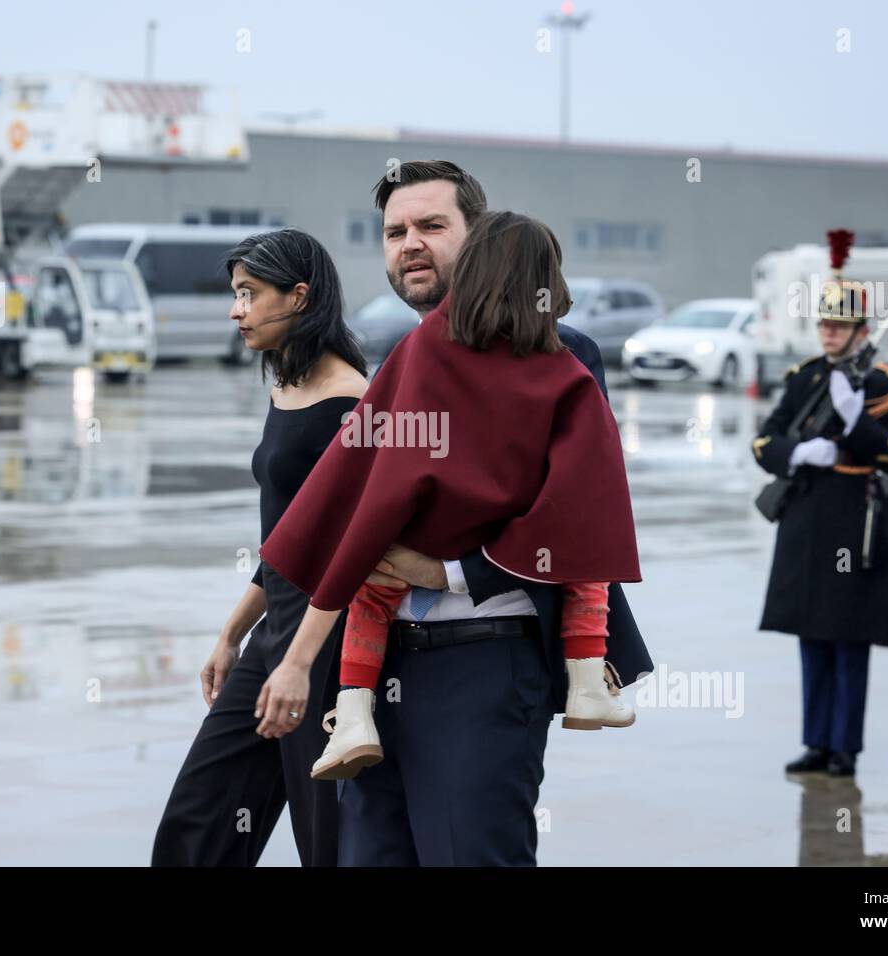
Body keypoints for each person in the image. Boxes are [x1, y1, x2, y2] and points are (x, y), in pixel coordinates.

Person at [253, 160, 653, 866]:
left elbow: (575, 509)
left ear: (480, 237)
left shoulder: (558, 352)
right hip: (379, 668)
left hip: (485, 662)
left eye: (432, 226)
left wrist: (450, 570)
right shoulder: (398, 360)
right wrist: (290, 647)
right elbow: (345, 501)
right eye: (395, 231)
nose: (411, 243)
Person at [150, 228, 368, 866]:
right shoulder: (287, 390)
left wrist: (298, 661)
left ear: (298, 297)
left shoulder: (351, 405)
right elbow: (285, 543)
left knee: (323, 830)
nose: (235, 310)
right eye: (234, 294)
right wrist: (231, 634)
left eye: (249, 294)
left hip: (326, 639)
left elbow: (343, 551)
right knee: (202, 813)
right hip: (278, 626)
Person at [752, 229, 888, 778]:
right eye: (824, 323)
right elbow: (764, 442)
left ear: (861, 331)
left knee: (848, 641)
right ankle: (816, 741)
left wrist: (855, 423)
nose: (829, 333)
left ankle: (844, 747)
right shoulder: (803, 380)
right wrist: (802, 452)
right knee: (812, 637)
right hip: (805, 524)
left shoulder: (885, 383)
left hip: (854, 525)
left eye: (840, 325)